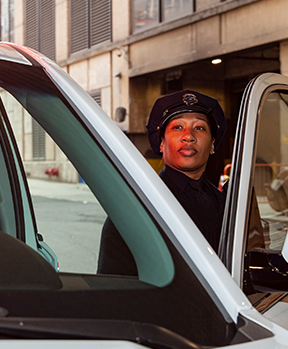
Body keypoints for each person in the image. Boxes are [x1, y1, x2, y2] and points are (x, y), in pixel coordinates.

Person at [97, 89, 227, 275]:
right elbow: (113, 289)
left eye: (199, 128)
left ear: (212, 144)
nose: (188, 136)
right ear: (161, 143)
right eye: (177, 127)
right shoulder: (136, 208)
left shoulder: (225, 204)